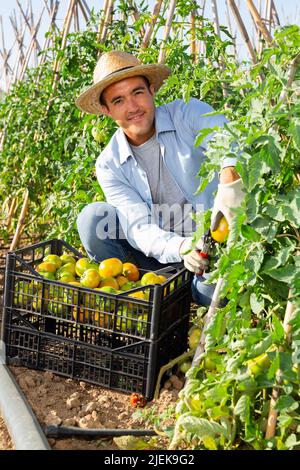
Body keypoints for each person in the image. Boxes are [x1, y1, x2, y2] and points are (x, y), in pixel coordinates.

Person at [75, 50, 244, 306]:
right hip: (159, 257)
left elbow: (228, 141)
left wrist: (229, 177)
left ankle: (191, 293)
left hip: (214, 246)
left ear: (151, 89)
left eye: (137, 93)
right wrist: (183, 248)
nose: (132, 107)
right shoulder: (109, 164)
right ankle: (145, 297)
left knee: (214, 292)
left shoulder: (187, 114)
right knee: (93, 218)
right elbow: (138, 227)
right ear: (106, 109)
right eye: (119, 100)